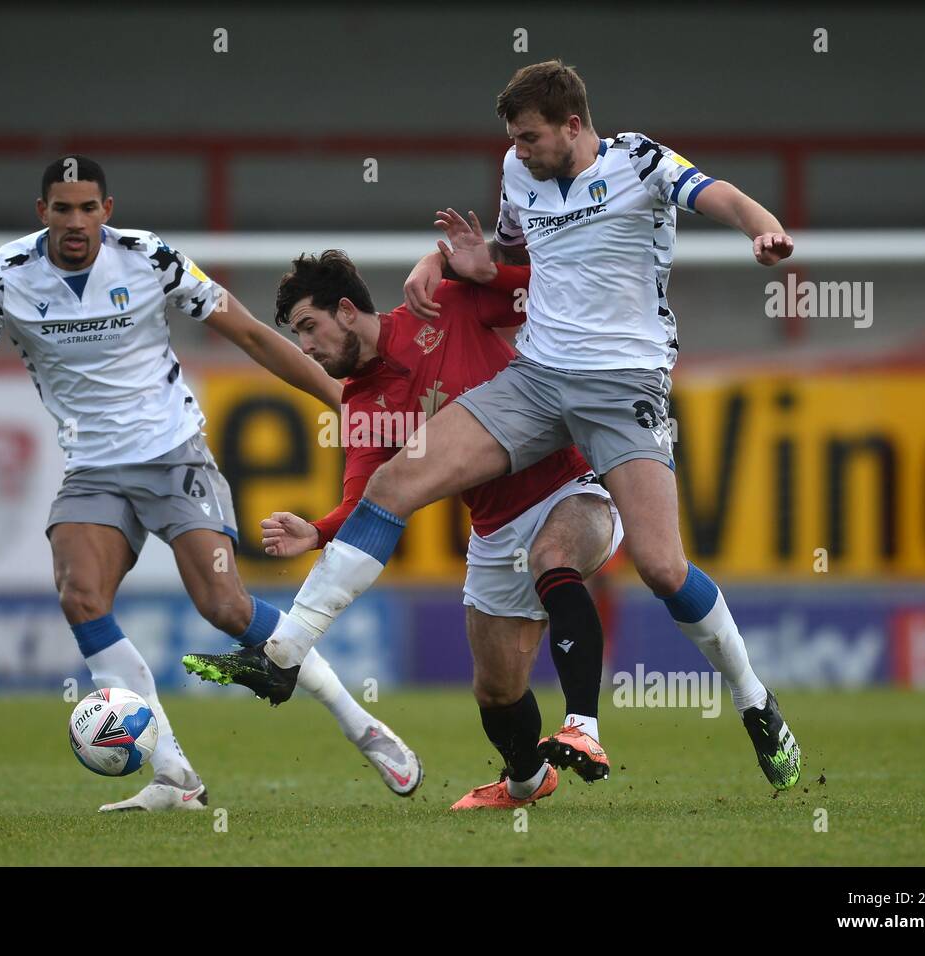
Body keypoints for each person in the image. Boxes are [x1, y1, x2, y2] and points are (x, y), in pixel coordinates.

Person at [179, 59, 802, 793]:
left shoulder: (638, 159)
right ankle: (283, 656)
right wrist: (443, 259)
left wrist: (761, 227)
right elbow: (503, 254)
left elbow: (716, 193)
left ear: (573, 125)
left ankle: (755, 702)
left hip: (624, 384)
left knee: (664, 568)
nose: (521, 150)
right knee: (396, 478)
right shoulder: (519, 169)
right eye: (515, 138)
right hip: (537, 379)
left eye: (532, 136)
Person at [0, 156, 422, 812]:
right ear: (41, 211)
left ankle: (364, 727)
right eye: (62, 209)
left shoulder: (149, 258)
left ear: (108, 208)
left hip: (174, 456)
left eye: (87, 208)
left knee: (224, 606)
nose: (75, 222)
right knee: (80, 595)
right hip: (93, 470)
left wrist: (341, 399)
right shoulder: (5, 276)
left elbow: (249, 333)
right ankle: (175, 776)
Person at [187, 240, 621, 809]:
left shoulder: (442, 305)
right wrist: (318, 531)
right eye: (297, 336)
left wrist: (465, 264)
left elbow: (543, 293)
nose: (307, 347)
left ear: (347, 310)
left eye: (309, 327)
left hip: (567, 487)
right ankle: (526, 781)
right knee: (495, 690)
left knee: (556, 558)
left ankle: (584, 727)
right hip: (493, 530)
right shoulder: (363, 406)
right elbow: (368, 504)